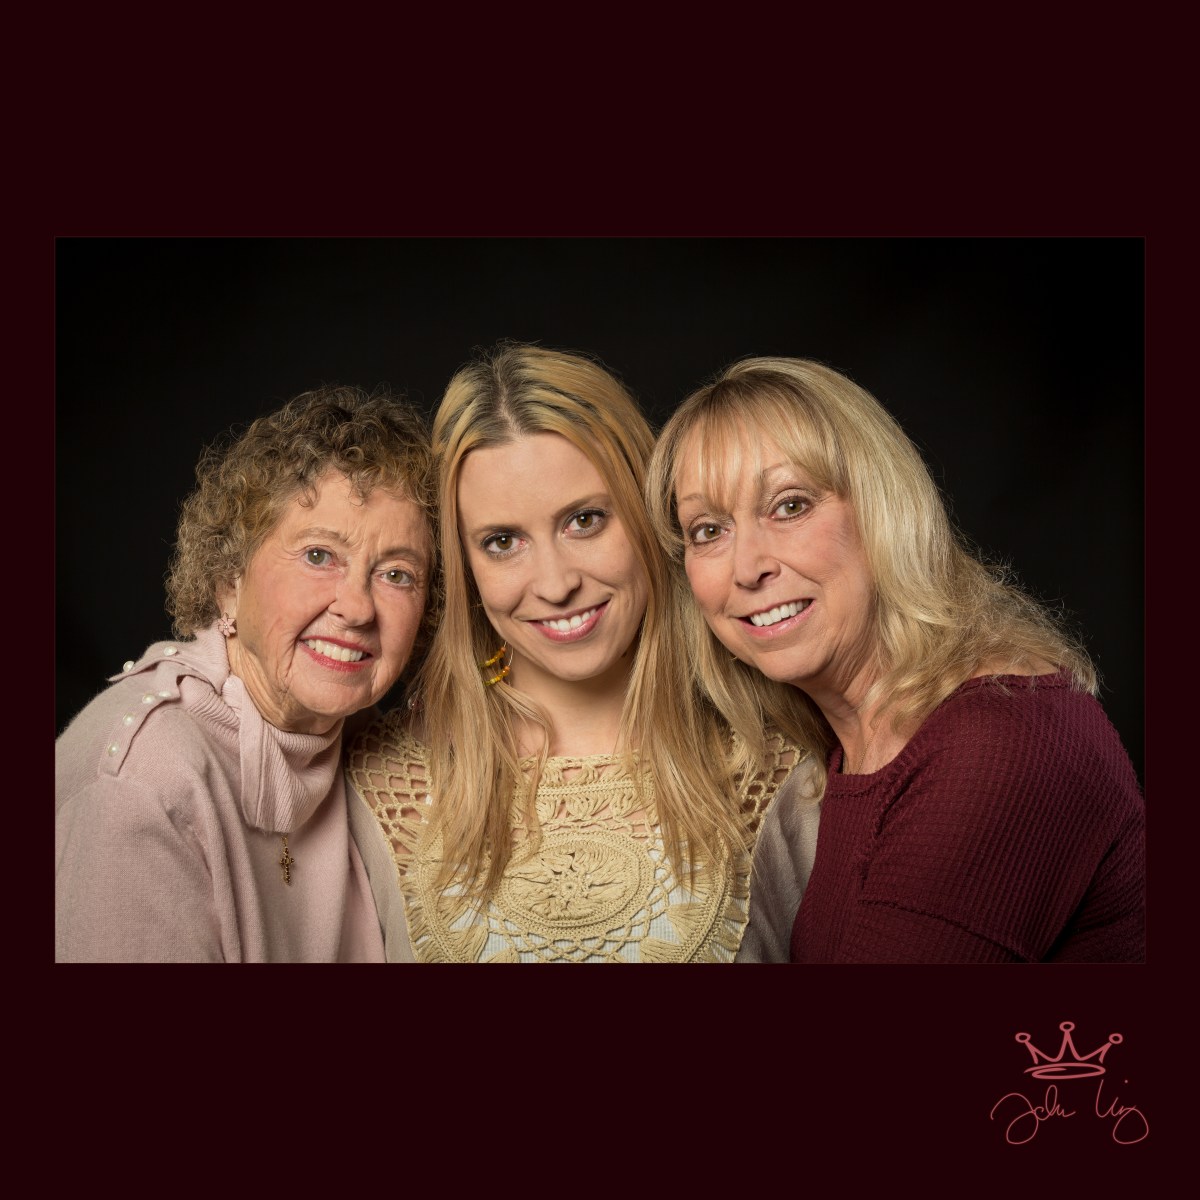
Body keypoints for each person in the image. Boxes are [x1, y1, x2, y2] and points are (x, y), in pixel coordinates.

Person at [645, 356, 1145, 963]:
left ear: (885, 510)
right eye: (707, 530)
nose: (747, 567)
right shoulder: (844, 756)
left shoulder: (1003, 741)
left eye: (790, 505)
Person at [346, 342, 817, 962]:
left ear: (649, 513)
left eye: (585, 521)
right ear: (464, 566)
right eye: (503, 541)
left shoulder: (782, 761)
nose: (555, 583)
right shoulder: (379, 784)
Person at [56, 385, 437, 962]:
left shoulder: (367, 747)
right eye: (318, 556)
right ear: (228, 578)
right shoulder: (142, 787)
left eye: (397, 574)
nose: (357, 608)